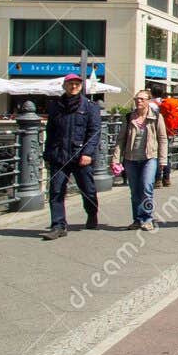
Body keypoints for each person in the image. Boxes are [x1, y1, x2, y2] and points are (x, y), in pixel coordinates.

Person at [42, 72, 101, 239]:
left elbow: (94, 132)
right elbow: (50, 131)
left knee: (88, 190)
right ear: (64, 86)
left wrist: (87, 153)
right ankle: (58, 225)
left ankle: (92, 213)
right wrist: (48, 153)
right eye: (70, 84)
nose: (73, 86)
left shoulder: (90, 107)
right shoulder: (56, 107)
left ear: (81, 86)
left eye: (77, 84)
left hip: (80, 155)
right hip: (59, 155)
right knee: (56, 190)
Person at [117, 88, 167, 231]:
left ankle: (147, 218)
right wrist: (115, 159)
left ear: (149, 101)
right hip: (130, 158)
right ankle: (137, 219)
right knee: (135, 191)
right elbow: (120, 140)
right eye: (137, 99)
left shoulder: (156, 117)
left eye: (142, 99)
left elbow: (163, 139)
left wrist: (163, 160)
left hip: (149, 157)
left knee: (146, 187)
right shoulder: (129, 117)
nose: (138, 101)